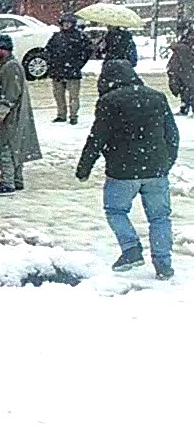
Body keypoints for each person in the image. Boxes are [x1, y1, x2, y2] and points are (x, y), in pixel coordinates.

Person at [77, 61, 179, 280]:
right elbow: (172, 134)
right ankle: (163, 264)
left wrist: (84, 167)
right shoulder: (157, 97)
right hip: (156, 169)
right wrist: (166, 162)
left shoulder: (109, 101)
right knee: (160, 218)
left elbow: (97, 138)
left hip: (122, 171)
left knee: (115, 210)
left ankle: (131, 249)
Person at [0, 34, 42, 196]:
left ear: (4, 50)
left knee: (5, 148)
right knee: (15, 146)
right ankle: (16, 179)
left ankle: (7, 182)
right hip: (13, 116)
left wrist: (2, 112)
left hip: (10, 118)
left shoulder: (10, 67)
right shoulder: (8, 66)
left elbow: (11, 93)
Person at [46, 13, 94, 124]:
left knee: (73, 96)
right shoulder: (56, 36)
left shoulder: (80, 36)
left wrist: (79, 63)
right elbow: (48, 50)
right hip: (57, 70)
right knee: (59, 95)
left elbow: (88, 50)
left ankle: (73, 116)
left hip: (73, 71)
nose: (66, 25)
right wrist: (51, 63)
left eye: (69, 23)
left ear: (73, 24)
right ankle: (61, 115)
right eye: (64, 23)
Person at [166, 25, 194, 115]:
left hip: (185, 69)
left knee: (186, 87)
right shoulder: (187, 42)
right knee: (188, 87)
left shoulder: (183, 45)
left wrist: (176, 47)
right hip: (187, 69)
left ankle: (185, 106)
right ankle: (186, 106)